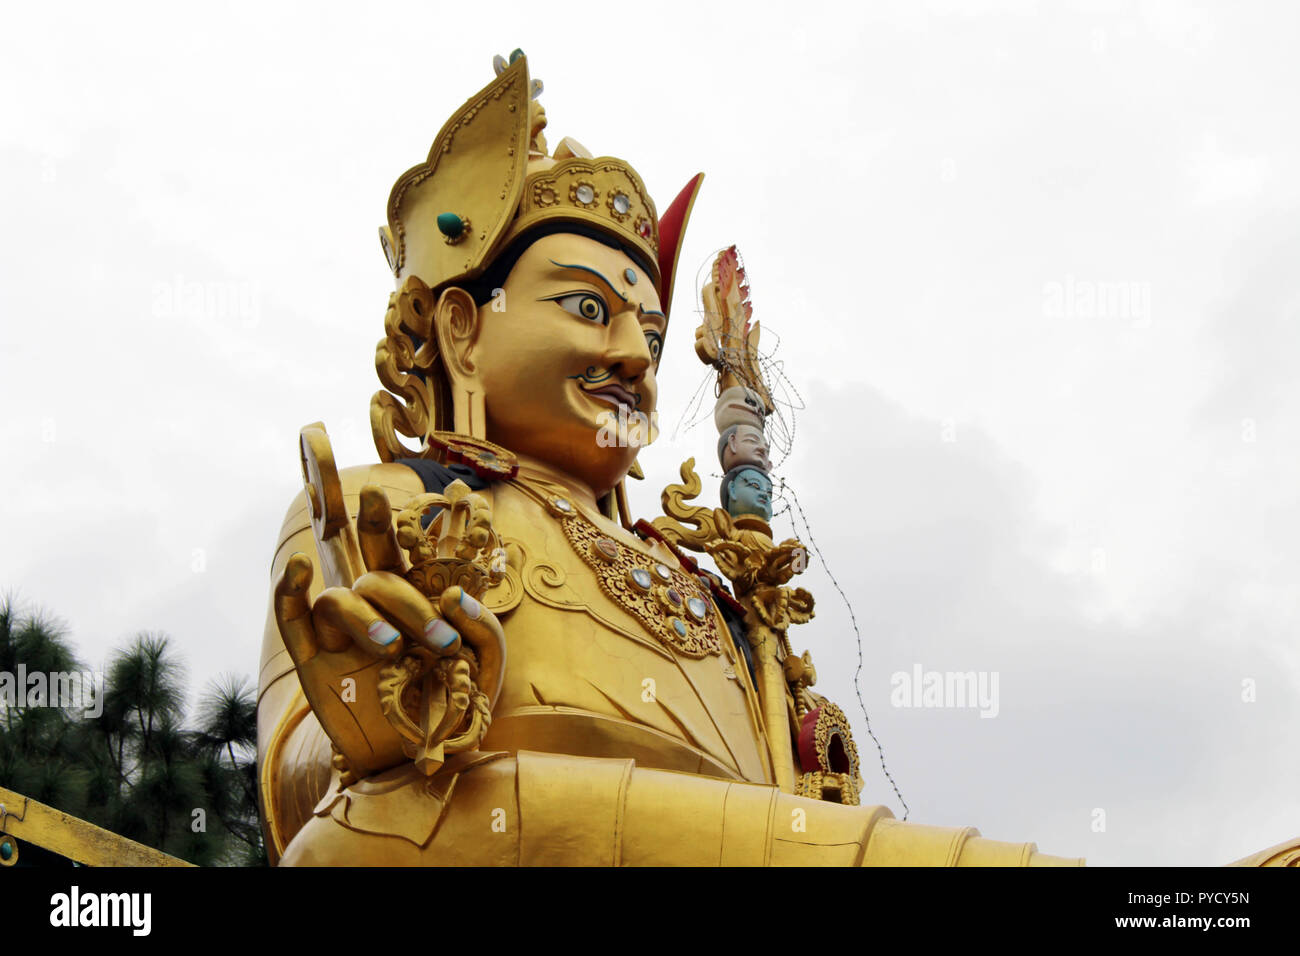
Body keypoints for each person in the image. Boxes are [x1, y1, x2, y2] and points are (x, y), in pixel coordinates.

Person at [256, 52, 1080, 866]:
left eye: (651, 335)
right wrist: (367, 723)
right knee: (386, 827)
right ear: (463, 331)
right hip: (484, 832)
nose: (636, 359)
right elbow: (300, 798)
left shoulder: (712, 600)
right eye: (588, 308)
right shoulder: (379, 507)